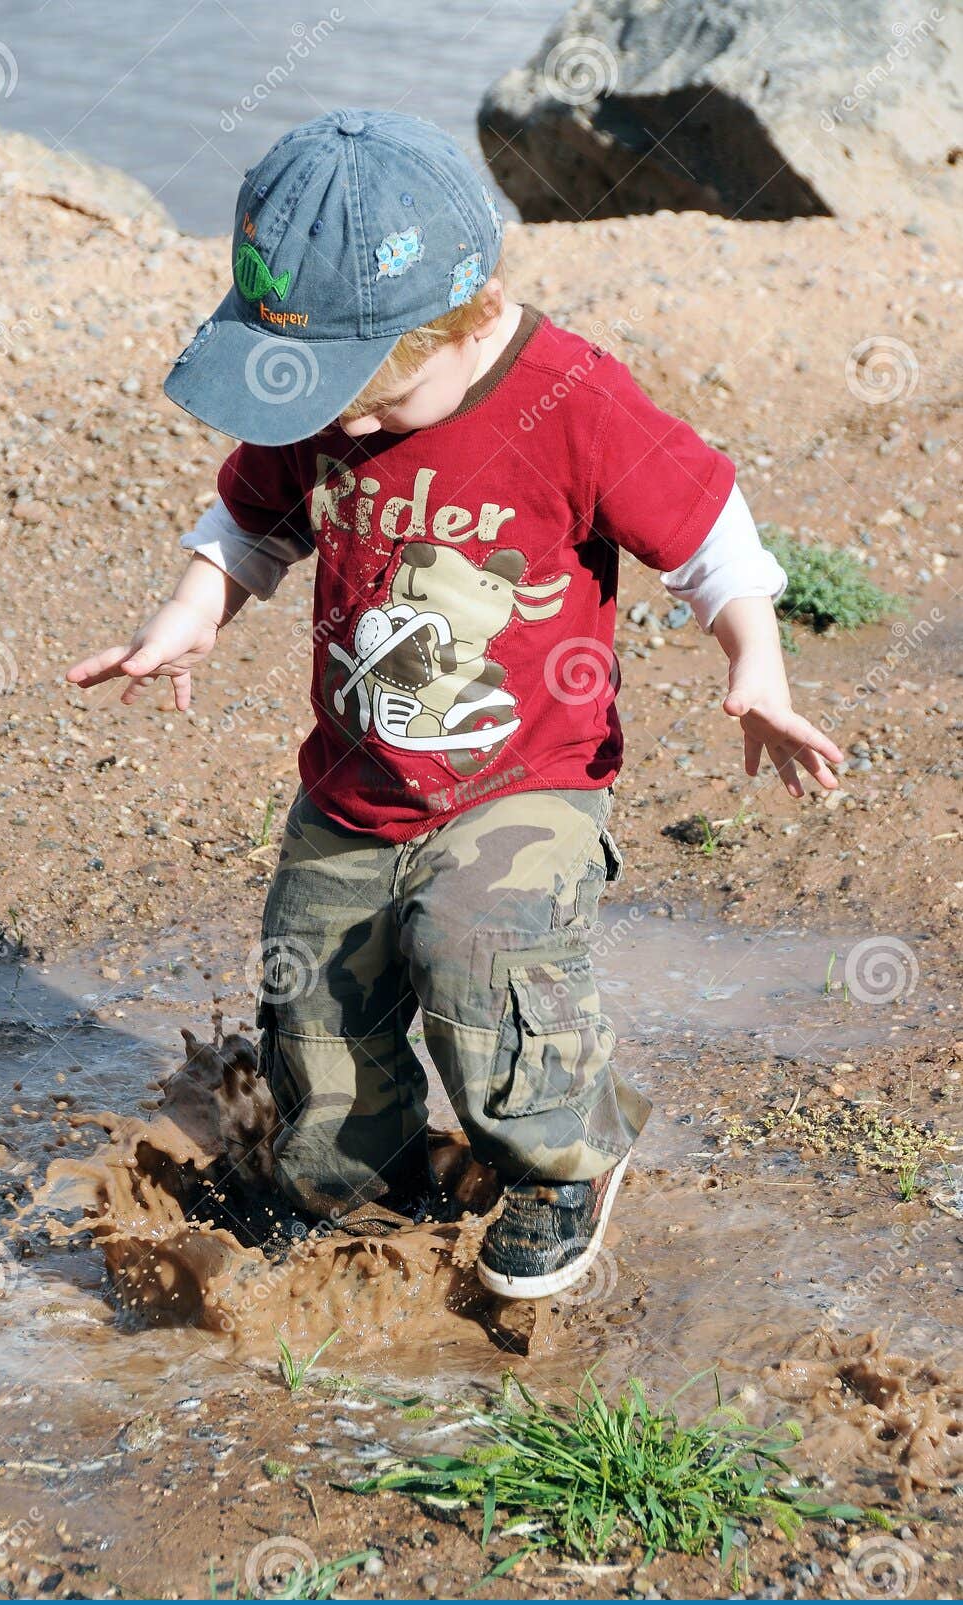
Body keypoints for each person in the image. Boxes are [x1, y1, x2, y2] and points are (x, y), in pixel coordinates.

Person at [67, 111, 843, 1300]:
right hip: (356, 780)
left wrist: (757, 664)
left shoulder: (571, 399)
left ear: (472, 315)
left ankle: (559, 1160)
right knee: (312, 980)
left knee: (474, 947)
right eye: (327, 407)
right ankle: (351, 1180)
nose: (352, 431)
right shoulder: (330, 404)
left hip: (523, 777)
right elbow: (251, 516)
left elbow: (708, 528)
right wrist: (195, 606)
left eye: (378, 405)